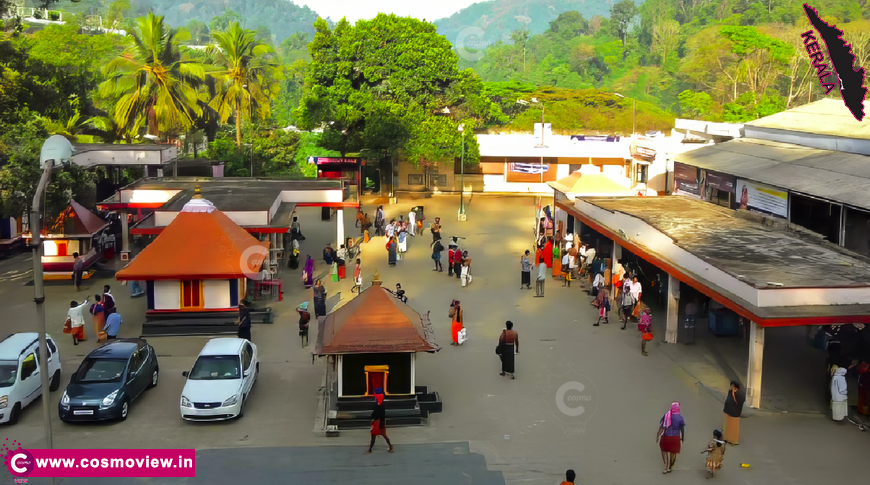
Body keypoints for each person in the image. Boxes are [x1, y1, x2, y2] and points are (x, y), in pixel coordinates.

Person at [656, 402, 685, 474]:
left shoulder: (667, 415)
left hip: (666, 436)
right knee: (673, 452)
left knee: (664, 450)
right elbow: (682, 429)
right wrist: (682, 437)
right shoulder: (680, 418)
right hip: (676, 437)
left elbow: (662, 426)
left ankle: (666, 466)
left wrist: (658, 435)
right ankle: (670, 466)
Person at [366, 388, 393, 453]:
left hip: (378, 422)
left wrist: (373, 419)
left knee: (374, 436)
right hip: (379, 422)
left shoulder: (380, 405)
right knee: (383, 435)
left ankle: (370, 450)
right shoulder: (379, 404)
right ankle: (390, 446)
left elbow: (378, 414)